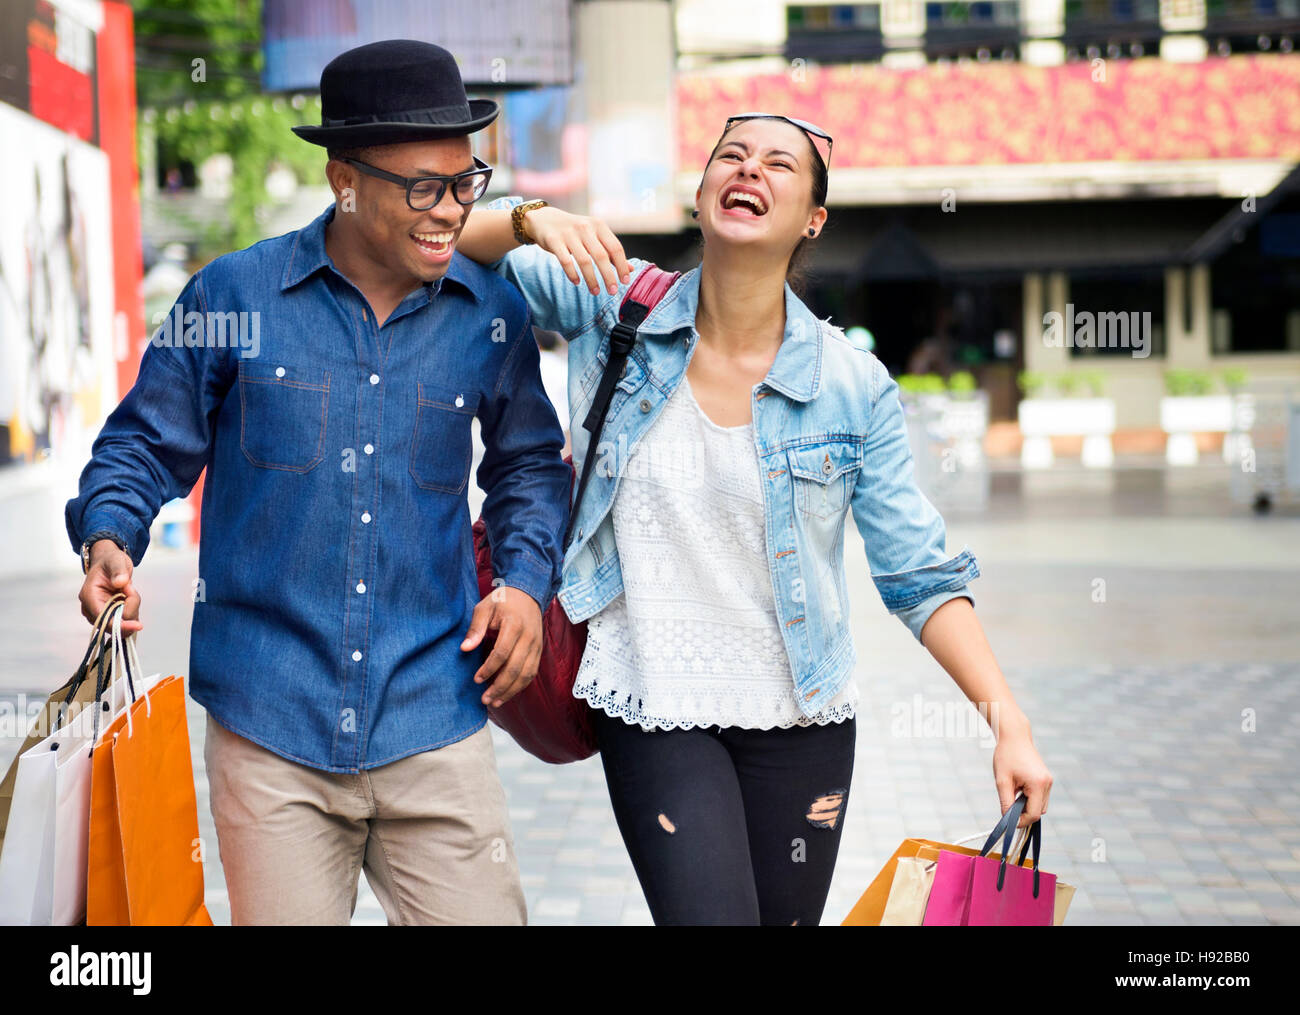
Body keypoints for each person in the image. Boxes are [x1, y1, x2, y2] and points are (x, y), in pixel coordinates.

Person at [455, 112, 1053, 925]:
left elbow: (919, 573)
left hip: (801, 715)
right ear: (701, 193)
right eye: (731, 156)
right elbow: (448, 242)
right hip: (654, 696)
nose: (749, 170)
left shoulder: (852, 384)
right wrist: (531, 217)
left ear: (814, 218)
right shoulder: (613, 302)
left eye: (779, 164)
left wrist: (1007, 724)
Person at [65, 40, 571, 925]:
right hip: (271, 728)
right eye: (423, 186)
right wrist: (110, 536)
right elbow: (144, 443)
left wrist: (527, 584)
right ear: (344, 178)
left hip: (435, 717)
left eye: (465, 183)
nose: (449, 212)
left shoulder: (489, 316)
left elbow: (528, 462)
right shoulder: (233, 297)